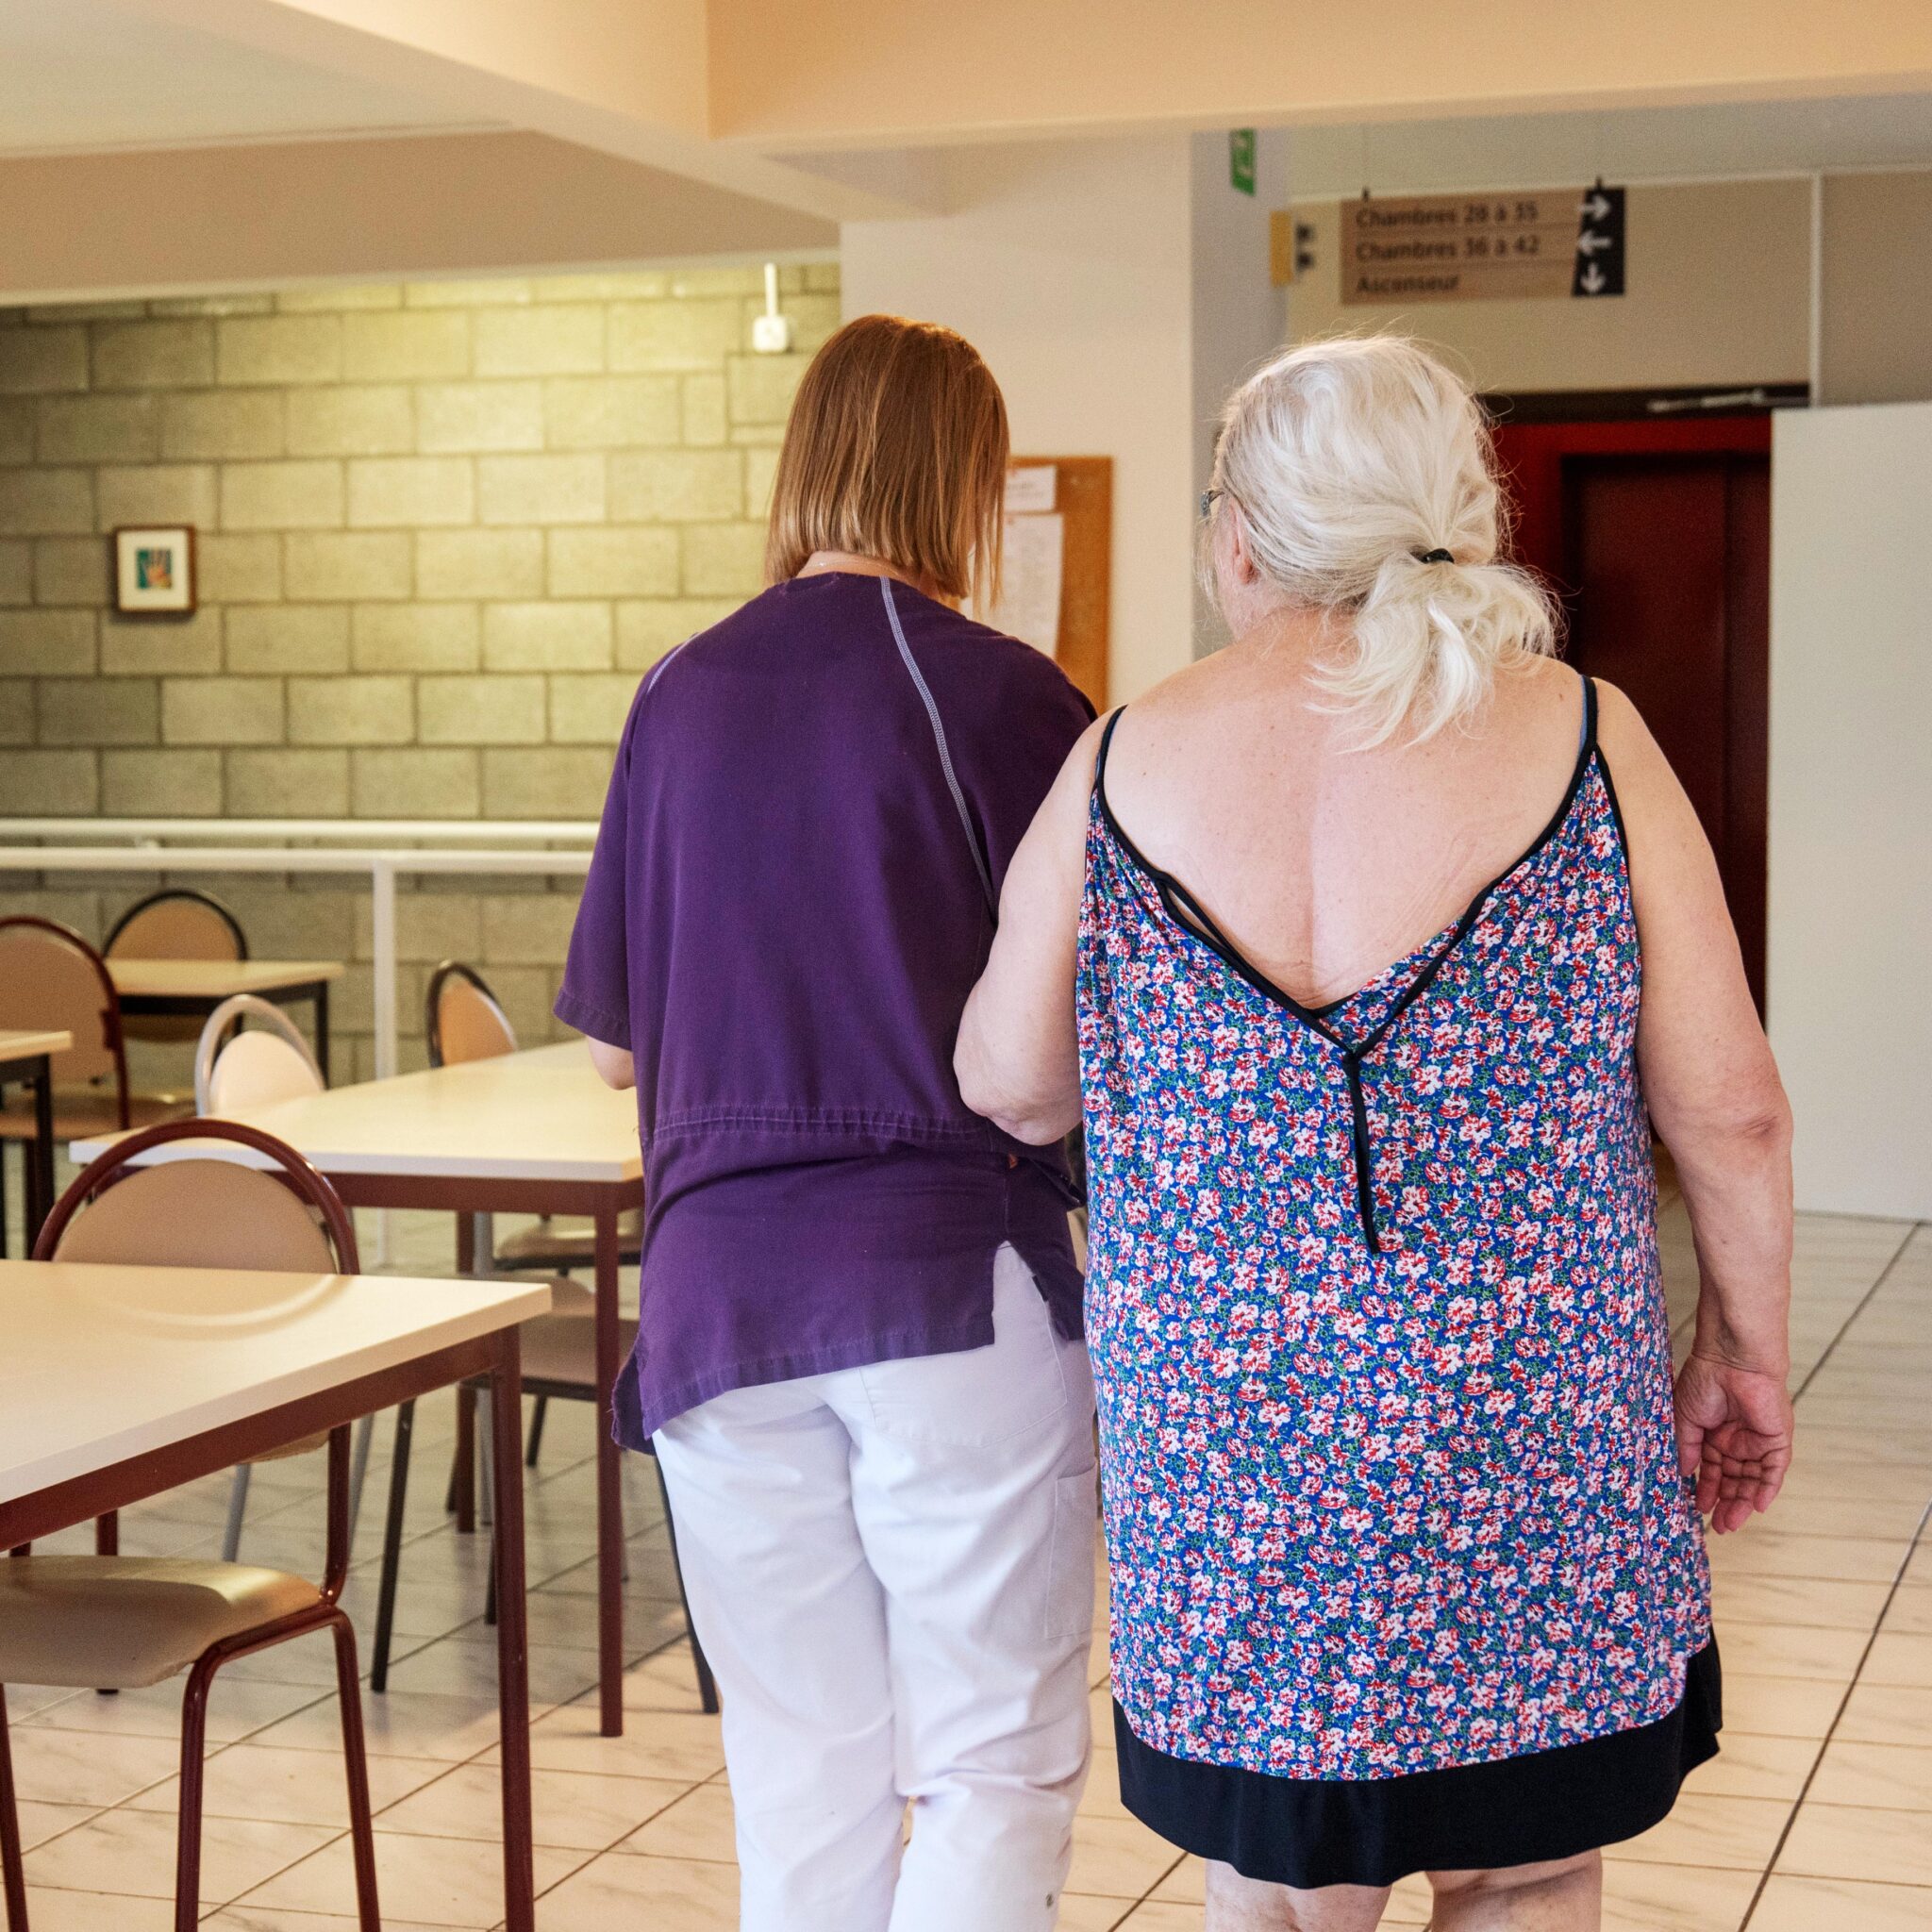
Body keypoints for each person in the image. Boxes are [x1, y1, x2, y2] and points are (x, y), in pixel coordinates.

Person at [956, 335, 1794, 1932]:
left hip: (1235, 1464)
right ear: (1458, 514)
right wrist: (1739, 1355)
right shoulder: (1589, 741)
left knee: (1275, 1887)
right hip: (1534, 1447)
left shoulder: (1123, 760)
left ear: (1242, 539)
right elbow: (1732, 1110)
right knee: (1528, 1865)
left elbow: (1009, 1081)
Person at [557, 313, 1099, 1932]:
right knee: (993, 1765)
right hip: (948, 1289)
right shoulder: (1011, 700)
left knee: (801, 1766)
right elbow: (1095, 1027)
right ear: (964, 485)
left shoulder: (675, 693)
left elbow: (614, 1055)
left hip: (718, 1307)